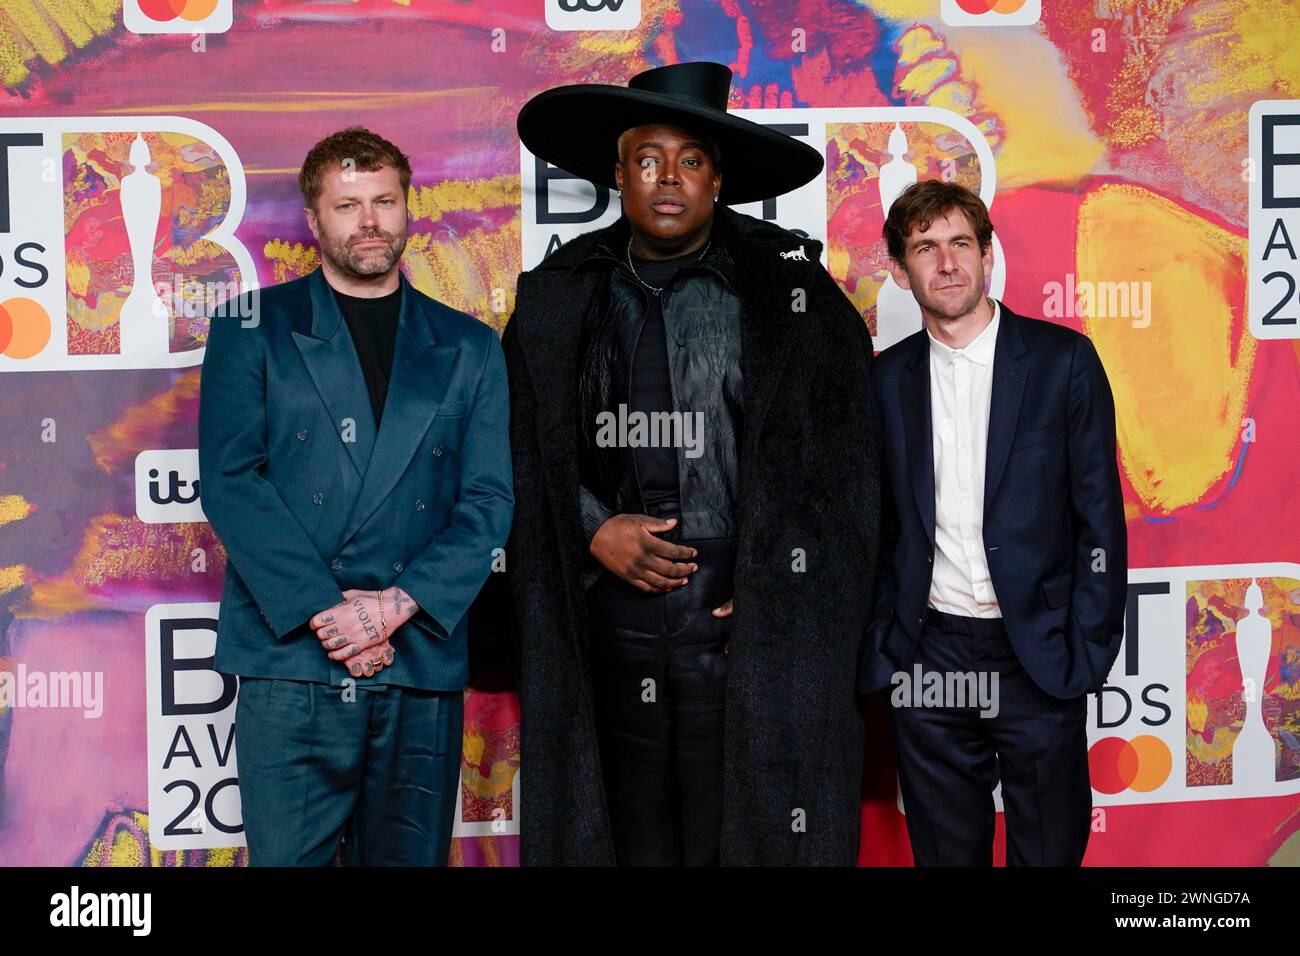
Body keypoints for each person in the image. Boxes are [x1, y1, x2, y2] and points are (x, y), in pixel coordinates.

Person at [504, 61, 879, 865]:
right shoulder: (560, 294)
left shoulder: (790, 297)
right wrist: (593, 528)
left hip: (740, 613)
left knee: (742, 827)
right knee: (623, 828)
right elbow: (515, 447)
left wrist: (779, 583)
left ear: (718, 179)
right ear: (618, 175)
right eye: (646, 159)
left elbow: (842, 467)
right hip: (606, 605)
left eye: (691, 160)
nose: (667, 179)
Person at [198, 126, 514, 866]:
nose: (369, 221)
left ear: (409, 209)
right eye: (347, 205)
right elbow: (231, 482)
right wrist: (331, 613)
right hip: (292, 660)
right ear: (314, 220)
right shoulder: (252, 330)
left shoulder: (470, 348)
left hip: (417, 657)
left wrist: (393, 607)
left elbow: (489, 503)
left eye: (384, 201)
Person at [861, 179, 1127, 866]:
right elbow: (875, 527)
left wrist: (1084, 650)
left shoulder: (1062, 363)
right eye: (925, 247)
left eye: (959, 244)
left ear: (987, 255)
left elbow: (1099, 519)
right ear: (898, 269)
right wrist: (888, 648)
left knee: (1048, 852)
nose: (946, 263)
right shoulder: (884, 382)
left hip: (1035, 653)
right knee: (947, 855)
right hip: (928, 655)